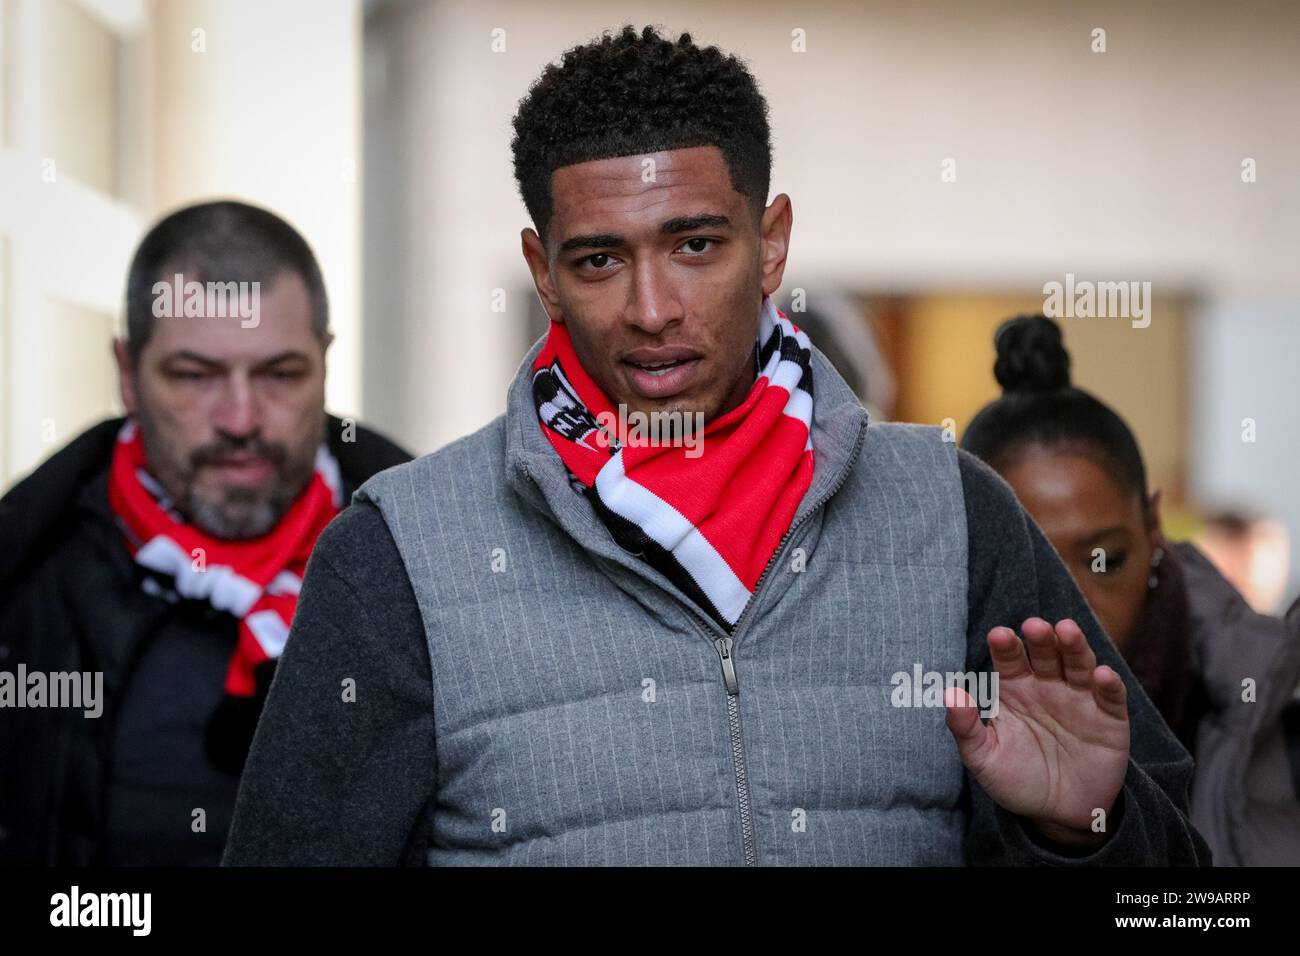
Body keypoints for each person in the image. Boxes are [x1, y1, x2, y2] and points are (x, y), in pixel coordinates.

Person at [224, 25, 1209, 866]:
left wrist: (1088, 828)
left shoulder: (950, 511)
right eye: (600, 258)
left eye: (696, 244)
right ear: (544, 270)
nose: (652, 310)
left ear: (770, 242)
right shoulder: (402, 552)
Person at [0, 200, 411, 865]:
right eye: (194, 376)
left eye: (281, 374)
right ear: (128, 374)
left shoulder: (432, 566)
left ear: (325, 363)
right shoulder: (24, 578)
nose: (241, 418)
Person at [962, 314, 1300, 865]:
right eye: (1032, 565)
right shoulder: (924, 723)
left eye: (1105, 560)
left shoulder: (1270, 725)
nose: (1075, 610)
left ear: (1153, 528)